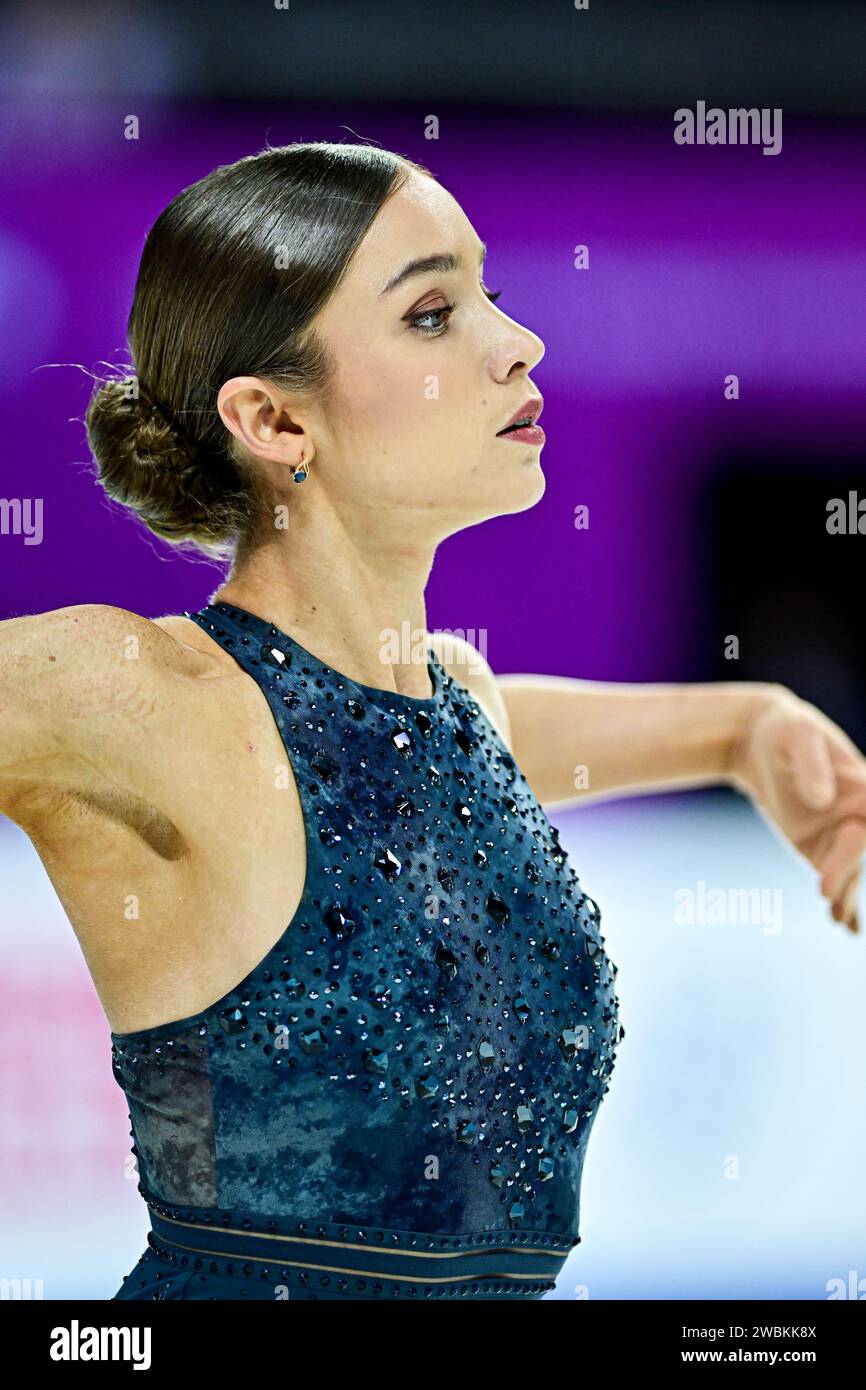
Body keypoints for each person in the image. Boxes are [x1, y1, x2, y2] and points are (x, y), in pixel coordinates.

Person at [1, 142, 863, 1301]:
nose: (520, 343)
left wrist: (749, 728)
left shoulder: (456, 705)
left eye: (488, 295)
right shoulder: (139, 694)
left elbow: (431, 753)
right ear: (272, 418)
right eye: (429, 313)